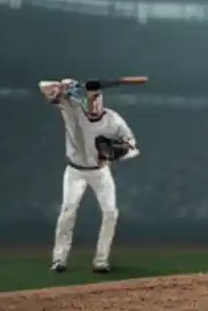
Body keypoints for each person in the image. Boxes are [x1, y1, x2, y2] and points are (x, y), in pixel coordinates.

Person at [38, 78, 139, 274]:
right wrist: (61, 85)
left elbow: (132, 144)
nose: (94, 102)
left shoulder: (113, 119)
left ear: (102, 99)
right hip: (75, 171)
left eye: (97, 97)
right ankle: (59, 259)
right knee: (67, 211)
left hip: (100, 171)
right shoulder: (71, 108)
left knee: (111, 213)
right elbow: (42, 86)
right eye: (90, 98)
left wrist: (117, 151)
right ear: (84, 99)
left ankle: (101, 260)